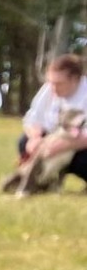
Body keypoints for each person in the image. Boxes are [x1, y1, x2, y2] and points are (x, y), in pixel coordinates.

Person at [17, 52, 87, 187]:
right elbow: (33, 118)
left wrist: (62, 146)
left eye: (59, 83)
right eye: (51, 82)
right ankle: (42, 180)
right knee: (23, 142)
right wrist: (35, 137)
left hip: (78, 145)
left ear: (75, 79)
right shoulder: (49, 89)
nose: (53, 88)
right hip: (51, 139)